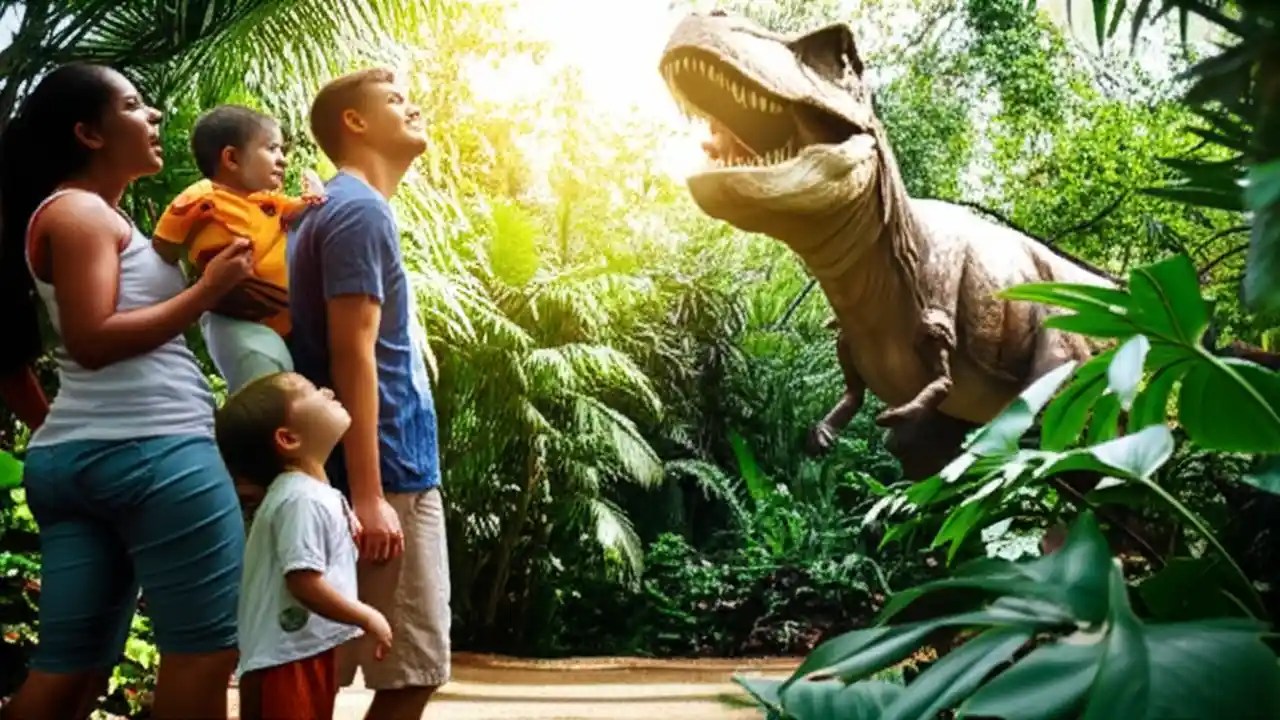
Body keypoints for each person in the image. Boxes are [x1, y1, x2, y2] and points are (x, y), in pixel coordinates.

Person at [0, 63, 254, 719]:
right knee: (205, 652)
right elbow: (91, 338)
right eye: (135, 106)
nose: (155, 118)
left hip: (83, 460)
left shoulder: (90, 215)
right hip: (157, 453)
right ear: (88, 132)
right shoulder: (81, 213)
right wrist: (206, 293)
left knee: (71, 671)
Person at [288, 67, 450, 719]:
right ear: (353, 123)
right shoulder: (355, 212)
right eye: (394, 100)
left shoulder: (339, 208)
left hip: (380, 467)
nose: (413, 106)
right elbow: (352, 354)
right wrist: (370, 494)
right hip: (388, 472)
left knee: (329, 672)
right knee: (412, 671)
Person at [215, 371, 393, 720]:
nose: (327, 390)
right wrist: (367, 615)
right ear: (288, 438)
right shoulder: (300, 498)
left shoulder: (305, 494)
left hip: (295, 652)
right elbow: (303, 581)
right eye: (310, 391)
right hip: (286, 660)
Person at [152, 104, 325, 392]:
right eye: (272, 149)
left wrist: (315, 192)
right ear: (231, 158)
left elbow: (304, 210)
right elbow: (163, 246)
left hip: (284, 319)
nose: (282, 160)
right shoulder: (201, 198)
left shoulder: (269, 201)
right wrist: (195, 280)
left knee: (293, 396)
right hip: (235, 319)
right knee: (265, 395)